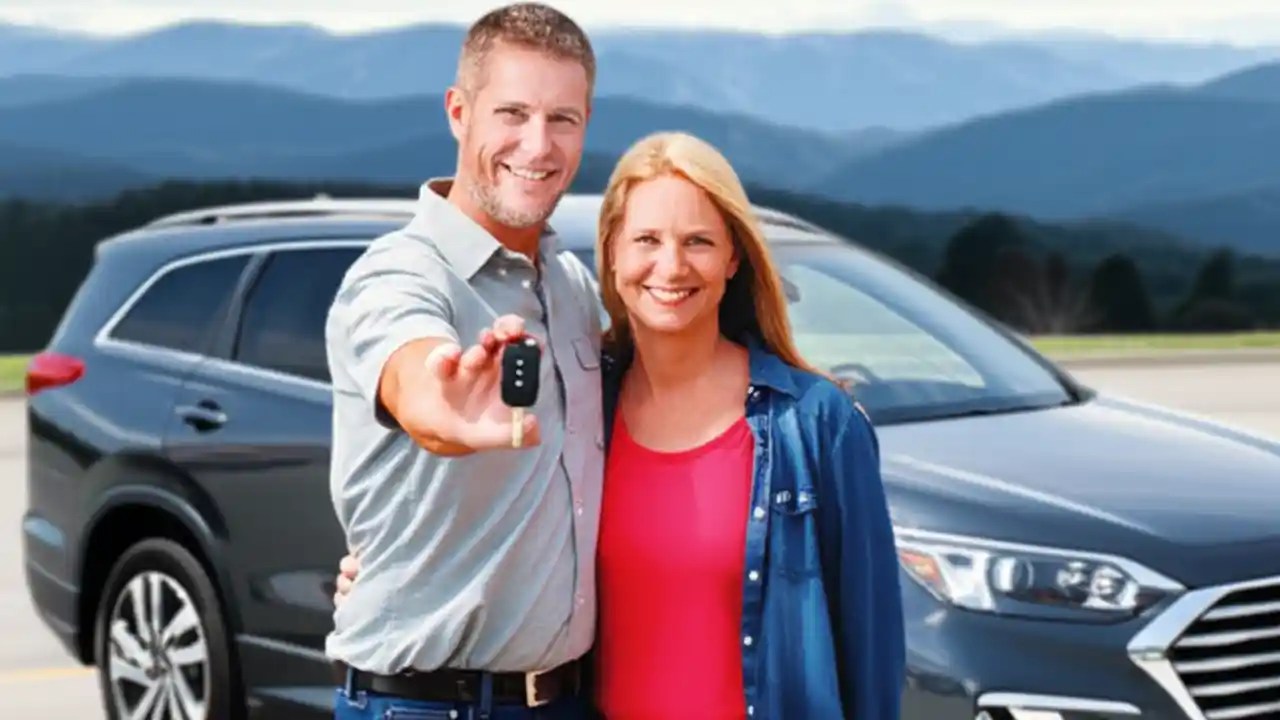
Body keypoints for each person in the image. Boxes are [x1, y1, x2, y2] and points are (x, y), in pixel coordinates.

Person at [338, 129, 907, 718]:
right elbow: (491, 532)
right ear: (611, 252)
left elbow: (871, 652)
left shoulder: (814, 426)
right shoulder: (581, 403)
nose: (671, 265)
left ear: (733, 258)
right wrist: (388, 578)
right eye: (646, 240)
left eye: (698, 242)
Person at [322, 3, 606, 719]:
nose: (537, 146)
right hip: (426, 705)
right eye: (511, 113)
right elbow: (416, 376)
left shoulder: (571, 286)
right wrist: (441, 407)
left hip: (564, 699)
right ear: (459, 112)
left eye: (562, 120)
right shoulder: (397, 274)